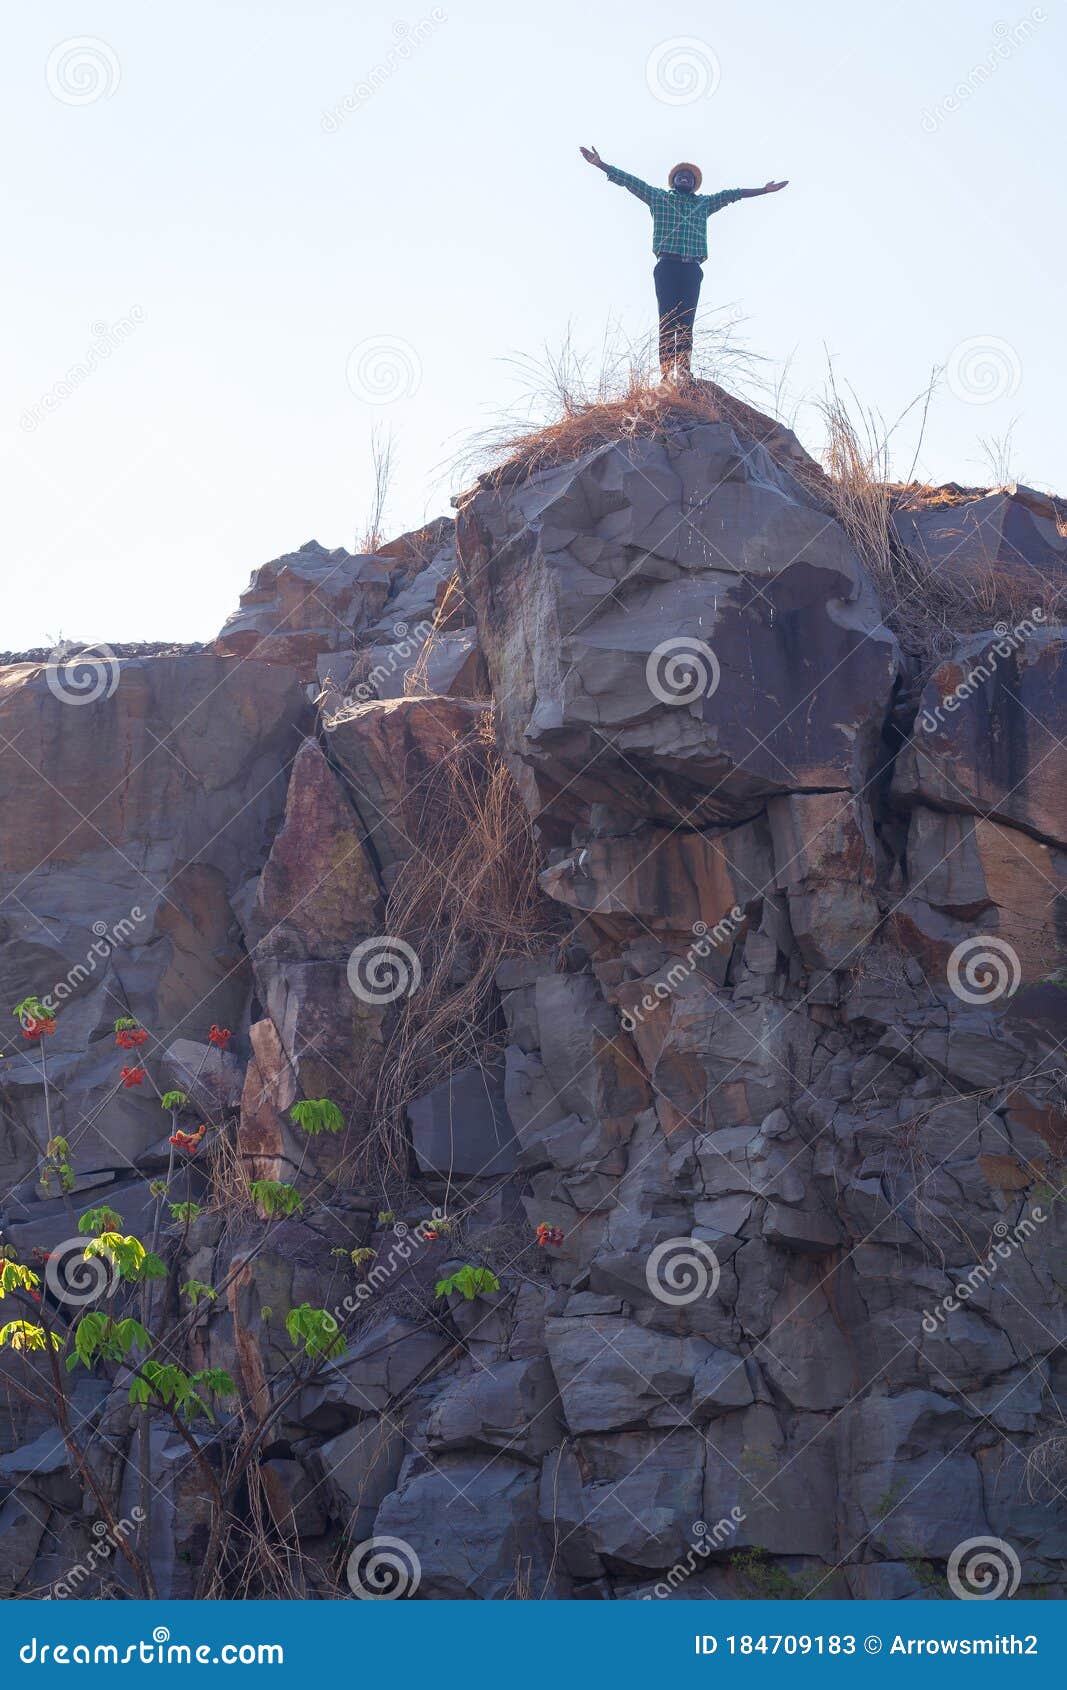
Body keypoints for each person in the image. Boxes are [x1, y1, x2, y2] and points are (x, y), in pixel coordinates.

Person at [580, 148, 788, 380]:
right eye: (681, 175)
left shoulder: (704, 204)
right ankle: (668, 375)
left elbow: (732, 194)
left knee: (686, 323)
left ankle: (683, 372)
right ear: (674, 181)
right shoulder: (658, 198)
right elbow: (630, 182)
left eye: (690, 176)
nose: (685, 177)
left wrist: (764, 190)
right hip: (667, 266)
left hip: (692, 269)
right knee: (667, 321)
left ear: (694, 183)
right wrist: (601, 165)